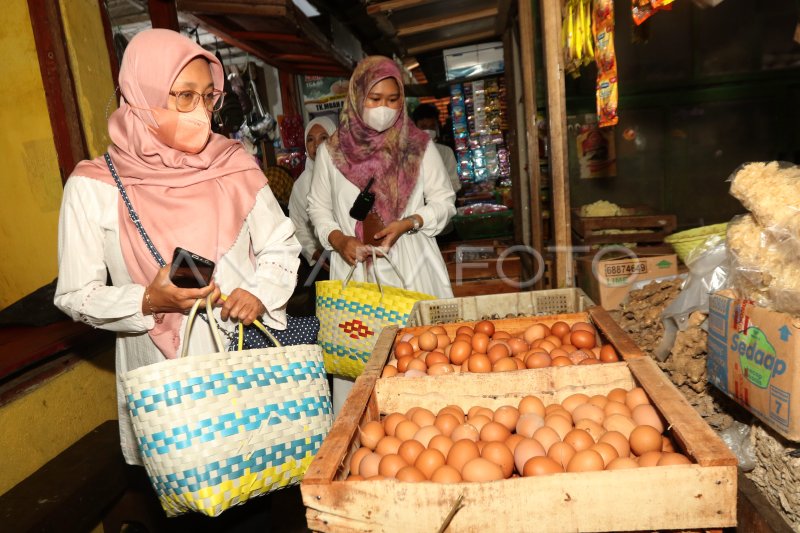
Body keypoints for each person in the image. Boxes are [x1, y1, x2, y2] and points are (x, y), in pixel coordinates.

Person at [54, 29, 301, 472]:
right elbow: (76, 294)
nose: (201, 113)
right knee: (188, 493)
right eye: (183, 97)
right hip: (167, 384)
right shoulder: (93, 186)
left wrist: (262, 292)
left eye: (208, 97)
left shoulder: (234, 163)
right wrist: (149, 300)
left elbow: (281, 245)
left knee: (260, 483)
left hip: (250, 367)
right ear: (141, 94)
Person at [307, 55, 456, 413]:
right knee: (358, 366)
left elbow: (445, 202)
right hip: (356, 272)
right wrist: (338, 240)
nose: (384, 108)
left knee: (424, 364)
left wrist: (410, 222)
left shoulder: (418, 146)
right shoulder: (332, 152)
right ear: (358, 99)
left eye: (393, 100)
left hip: (412, 265)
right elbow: (317, 207)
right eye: (375, 100)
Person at [288, 116, 337, 269]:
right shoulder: (300, 185)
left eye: (323, 137)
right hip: (325, 262)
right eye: (310, 140)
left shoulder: (348, 174)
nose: (316, 145)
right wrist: (315, 254)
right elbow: (298, 226)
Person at [412, 103, 461, 193]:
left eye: (432, 126)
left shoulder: (446, 152)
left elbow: (455, 183)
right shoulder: (406, 154)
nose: (428, 130)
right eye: (423, 127)